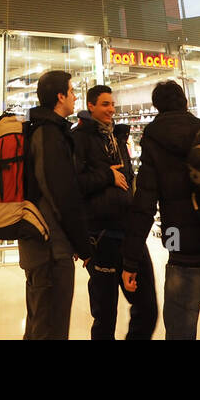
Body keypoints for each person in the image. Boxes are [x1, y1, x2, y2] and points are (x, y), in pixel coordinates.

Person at [121, 80, 200, 341]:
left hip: (179, 246)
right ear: (186, 103)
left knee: (179, 332)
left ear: (156, 107)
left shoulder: (153, 139)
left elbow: (145, 203)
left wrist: (130, 261)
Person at [73, 85, 158, 340]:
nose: (111, 109)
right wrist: (107, 175)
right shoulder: (78, 138)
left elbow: (127, 179)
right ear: (91, 106)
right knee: (105, 314)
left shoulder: (117, 138)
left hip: (129, 234)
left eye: (112, 104)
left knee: (147, 306)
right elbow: (74, 184)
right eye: (104, 104)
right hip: (100, 237)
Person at [18, 69, 90, 341]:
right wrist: (83, 245)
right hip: (50, 249)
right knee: (51, 329)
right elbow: (62, 195)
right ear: (60, 97)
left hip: (40, 246)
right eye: (72, 92)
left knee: (40, 325)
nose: (74, 97)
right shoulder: (49, 134)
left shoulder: (42, 130)